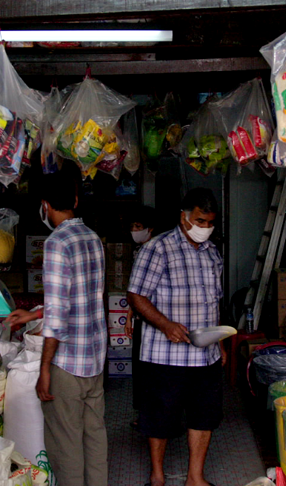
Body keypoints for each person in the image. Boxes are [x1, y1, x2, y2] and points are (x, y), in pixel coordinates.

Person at [127, 188, 226, 486]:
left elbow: (214, 302)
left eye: (210, 223)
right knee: (159, 417)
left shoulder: (212, 253)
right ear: (183, 218)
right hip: (165, 354)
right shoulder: (157, 248)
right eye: (200, 221)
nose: (205, 228)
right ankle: (157, 476)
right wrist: (165, 324)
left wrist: (220, 343)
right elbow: (136, 295)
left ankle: (195, 477)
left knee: (203, 417)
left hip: (205, 355)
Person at [36, 170, 108, 486]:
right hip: (94, 359)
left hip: (66, 364)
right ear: (76, 200)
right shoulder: (93, 238)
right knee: (95, 437)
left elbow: (57, 314)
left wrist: (45, 368)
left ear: (45, 205)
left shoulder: (56, 243)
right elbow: (84, 296)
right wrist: (33, 314)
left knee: (66, 446)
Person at [125, 205, 157, 427]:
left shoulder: (155, 252)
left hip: (154, 320)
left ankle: (152, 414)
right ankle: (145, 413)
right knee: (140, 366)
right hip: (141, 318)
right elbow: (135, 290)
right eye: (132, 227)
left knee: (150, 369)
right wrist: (129, 315)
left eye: (138, 226)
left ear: (150, 228)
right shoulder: (139, 251)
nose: (134, 231)